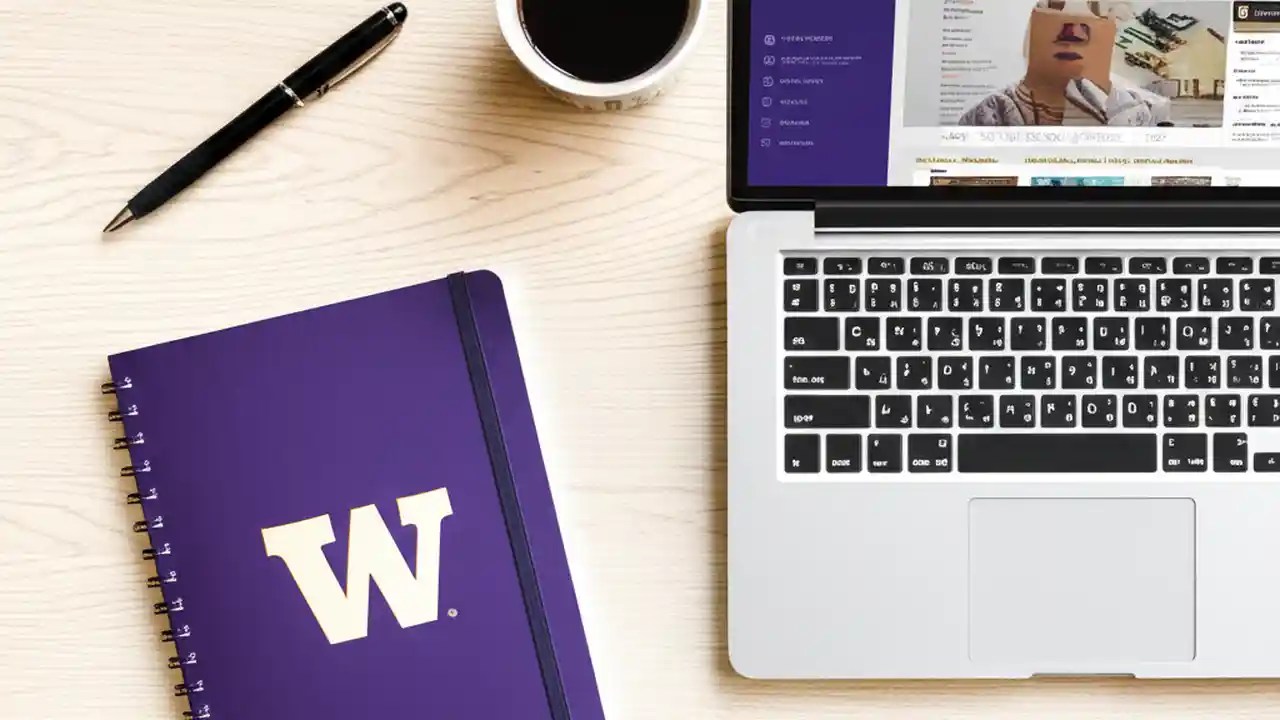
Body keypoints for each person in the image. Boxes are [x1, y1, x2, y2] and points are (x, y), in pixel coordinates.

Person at [959, 0, 1171, 126]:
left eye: (1096, 7)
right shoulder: (990, 114)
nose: (1073, 34)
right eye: (1056, 4)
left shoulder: (1150, 112)